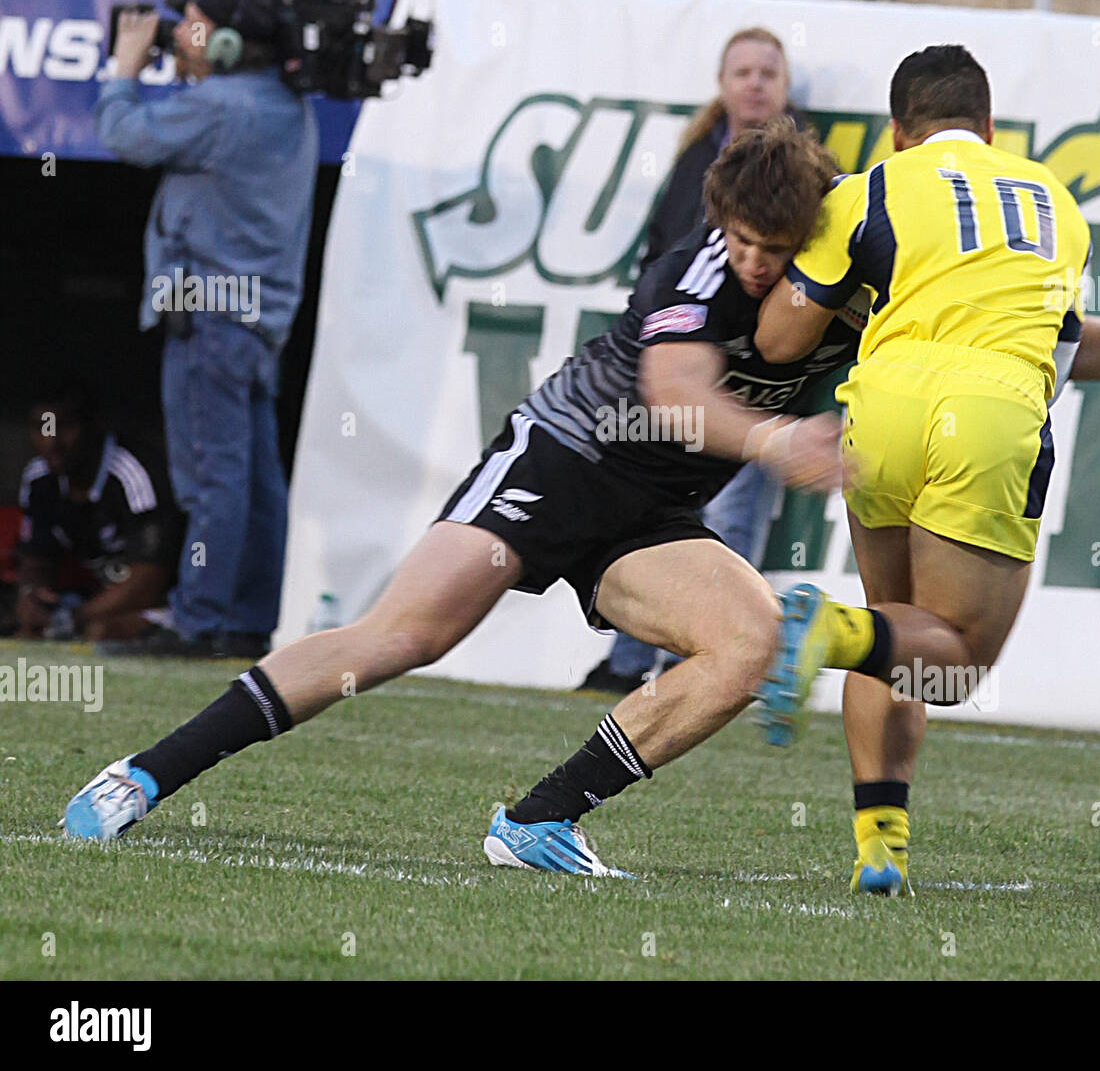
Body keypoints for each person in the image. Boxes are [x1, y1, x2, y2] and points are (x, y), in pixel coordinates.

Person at [61, 119, 848, 861]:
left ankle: (540, 821)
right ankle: (144, 775)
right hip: (563, 460)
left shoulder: (844, 279)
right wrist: (774, 438)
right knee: (400, 639)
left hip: (654, 511)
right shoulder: (700, 269)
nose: (752, 260)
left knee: (752, 645)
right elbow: (674, 391)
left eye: (771, 249)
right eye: (741, 240)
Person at [750, 44, 1100, 896]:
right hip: (992, 414)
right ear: (991, 128)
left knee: (899, 632)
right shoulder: (1054, 205)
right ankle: (824, 631)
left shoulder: (866, 193)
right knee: (951, 662)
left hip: (880, 408)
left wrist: (839, 293)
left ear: (897, 133)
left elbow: (779, 340)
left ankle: (877, 845)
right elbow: (1061, 348)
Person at [94, 0, 319, 659]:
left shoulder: (220, 106)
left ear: (225, 41)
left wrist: (124, 71)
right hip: (258, 317)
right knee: (254, 478)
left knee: (210, 474)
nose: (176, 32)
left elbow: (124, 136)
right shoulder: (287, 107)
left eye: (188, 23)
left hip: (208, 315)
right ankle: (246, 619)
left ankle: (195, 621)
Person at [579, 26, 794, 694]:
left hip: (755, 377)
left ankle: (702, 658)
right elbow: (657, 262)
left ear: (784, 88)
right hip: (679, 376)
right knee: (650, 515)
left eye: (768, 72)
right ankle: (626, 662)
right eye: (743, 72)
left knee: (730, 519)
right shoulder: (692, 160)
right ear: (723, 85)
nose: (755, 83)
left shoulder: (804, 174)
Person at [16, 380, 182, 642]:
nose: (52, 441)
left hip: (172, 603)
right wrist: (31, 595)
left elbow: (149, 583)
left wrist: (77, 617)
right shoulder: (40, 479)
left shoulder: (132, 474)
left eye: (65, 427)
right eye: (41, 428)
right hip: (94, 600)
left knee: (102, 632)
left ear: (94, 427)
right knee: (28, 631)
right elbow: (35, 559)